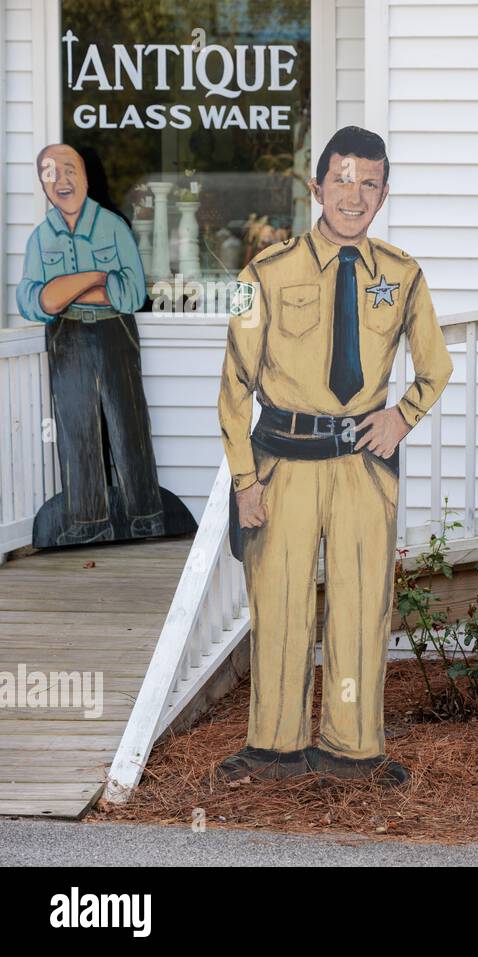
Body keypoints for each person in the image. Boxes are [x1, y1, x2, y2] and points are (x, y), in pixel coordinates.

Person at [216, 126, 453, 786]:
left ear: (384, 193)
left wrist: (400, 417)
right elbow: (234, 384)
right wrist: (243, 480)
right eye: (342, 179)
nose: (355, 194)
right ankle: (273, 749)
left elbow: (436, 367)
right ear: (317, 187)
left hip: (359, 466)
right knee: (281, 602)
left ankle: (352, 749)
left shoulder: (404, 276)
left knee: (358, 605)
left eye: (369, 183)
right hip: (281, 462)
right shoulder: (258, 274)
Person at [17, 144, 163, 546]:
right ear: (42, 182)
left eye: (70, 170)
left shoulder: (112, 227)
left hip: (115, 331)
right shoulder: (40, 237)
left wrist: (64, 290)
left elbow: (131, 294)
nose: (62, 180)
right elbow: (35, 301)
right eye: (51, 173)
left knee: (128, 422)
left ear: (86, 175)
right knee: (76, 427)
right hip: (67, 337)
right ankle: (88, 522)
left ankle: (146, 515)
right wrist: (96, 277)